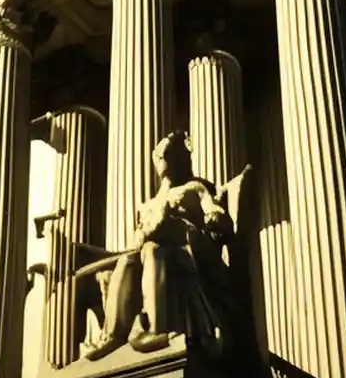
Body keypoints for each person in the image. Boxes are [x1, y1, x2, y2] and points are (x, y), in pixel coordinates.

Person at [81, 130, 246, 360]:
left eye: (166, 153)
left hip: (188, 253)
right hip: (153, 252)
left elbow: (219, 222)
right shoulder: (148, 204)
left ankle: (156, 328)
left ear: (178, 156)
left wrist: (212, 218)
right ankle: (113, 334)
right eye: (158, 155)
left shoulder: (196, 188)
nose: (161, 159)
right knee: (127, 260)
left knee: (153, 250)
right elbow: (136, 242)